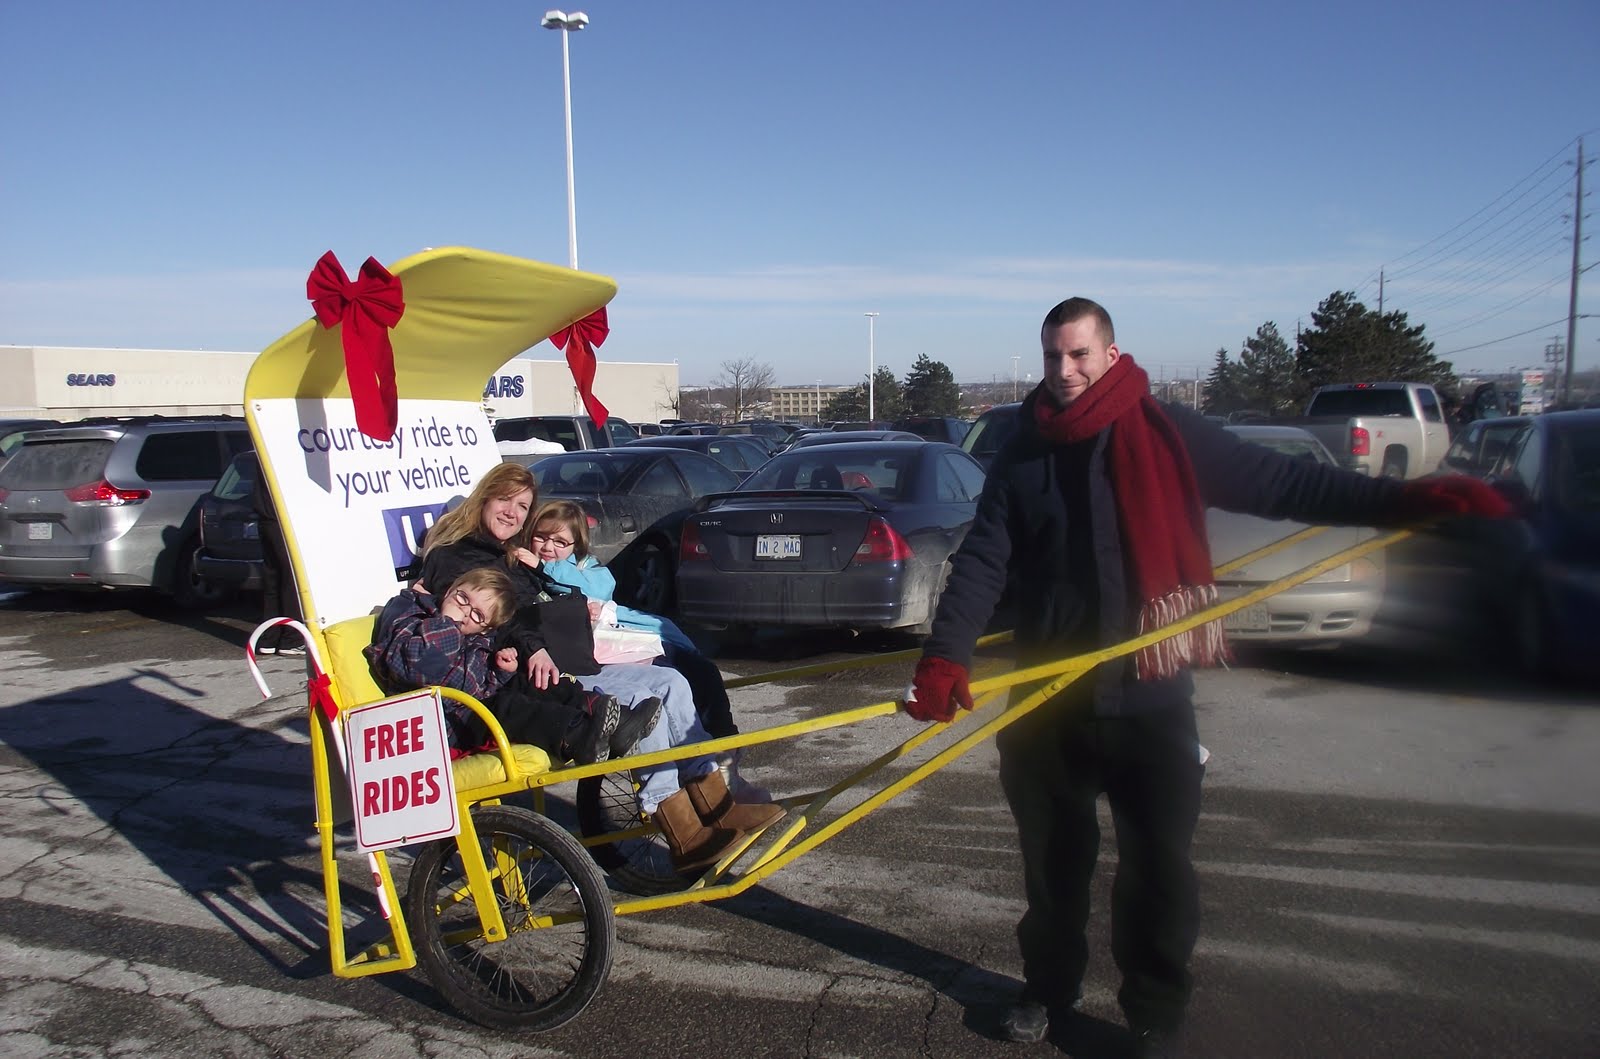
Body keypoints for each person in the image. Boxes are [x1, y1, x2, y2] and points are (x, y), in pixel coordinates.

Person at [902, 298, 1512, 1054]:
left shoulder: (1168, 433)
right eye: (1053, 356)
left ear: (1112, 355)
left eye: (1080, 355)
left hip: (1151, 696)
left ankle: (1154, 1012)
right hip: (1049, 696)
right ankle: (1047, 989)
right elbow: (983, 559)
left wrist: (1411, 499)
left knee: (1159, 875)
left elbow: (1287, 485)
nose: (1064, 371)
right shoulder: (1024, 450)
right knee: (1053, 872)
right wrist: (946, 654)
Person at [415, 463, 782, 872]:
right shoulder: (458, 556)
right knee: (650, 699)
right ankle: (680, 827)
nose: (512, 513)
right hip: (527, 672)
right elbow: (497, 618)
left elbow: (550, 596)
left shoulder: (508, 552)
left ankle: (717, 805)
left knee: (674, 681)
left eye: (522, 506)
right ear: (484, 498)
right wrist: (534, 647)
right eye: (504, 500)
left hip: (565, 650)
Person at [527, 499, 769, 800]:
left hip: (616, 641)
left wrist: (545, 567)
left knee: (699, 672)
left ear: (576, 545)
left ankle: (723, 766)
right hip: (591, 657)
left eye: (560, 541)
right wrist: (540, 570)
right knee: (669, 681)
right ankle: (692, 786)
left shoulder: (575, 567)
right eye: (541, 537)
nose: (548, 547)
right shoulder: (526, 575)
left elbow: (599, 587)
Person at [365, 566, 643, 765]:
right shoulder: (411, 610)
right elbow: (421, 666)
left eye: (477, 615)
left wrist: (499, 672)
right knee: (506, 707)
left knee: (527, 681)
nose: (465, 612)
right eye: (463, 598)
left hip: (464, 708)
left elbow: (475, 684)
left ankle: (603, 717)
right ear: (451, 589)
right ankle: (574, 735)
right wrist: (448, 622)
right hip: (437, 725)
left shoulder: (473, 636)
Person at [252, 456, 305, 656]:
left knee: (273, 578)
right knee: (290, 579)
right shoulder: (279, 447)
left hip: (266, 516)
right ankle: (292, 639)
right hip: (280, 517)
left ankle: (269, 637)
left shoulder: (262, 444)